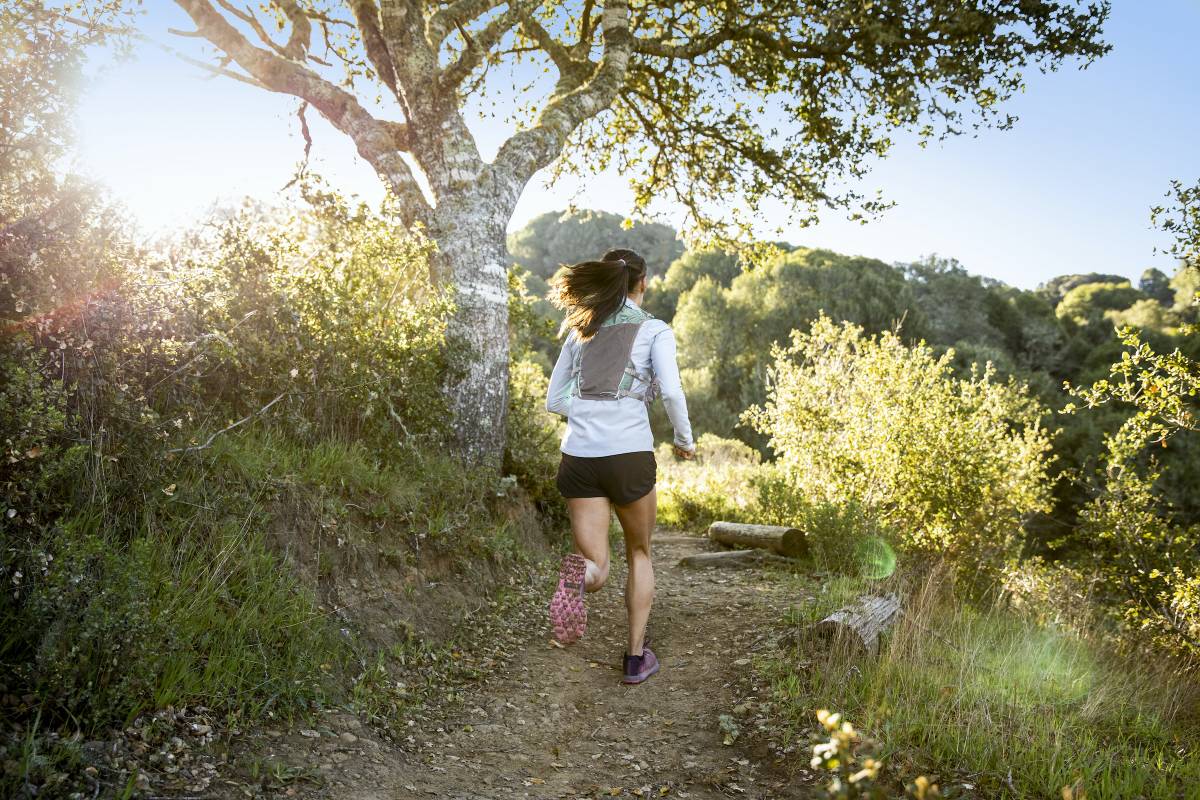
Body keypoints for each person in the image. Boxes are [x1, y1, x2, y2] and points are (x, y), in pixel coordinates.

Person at [544, 247, 696, 685]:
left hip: (580, 458)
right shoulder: (654, 329)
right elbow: (671, 392)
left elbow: (555, 400)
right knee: (640, 552)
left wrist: (592, 413)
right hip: (629, 455)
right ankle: (634, 658)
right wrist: (683, 440)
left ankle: (580, 577)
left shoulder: (581, 330)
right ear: (641, 283)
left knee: (597, 563)